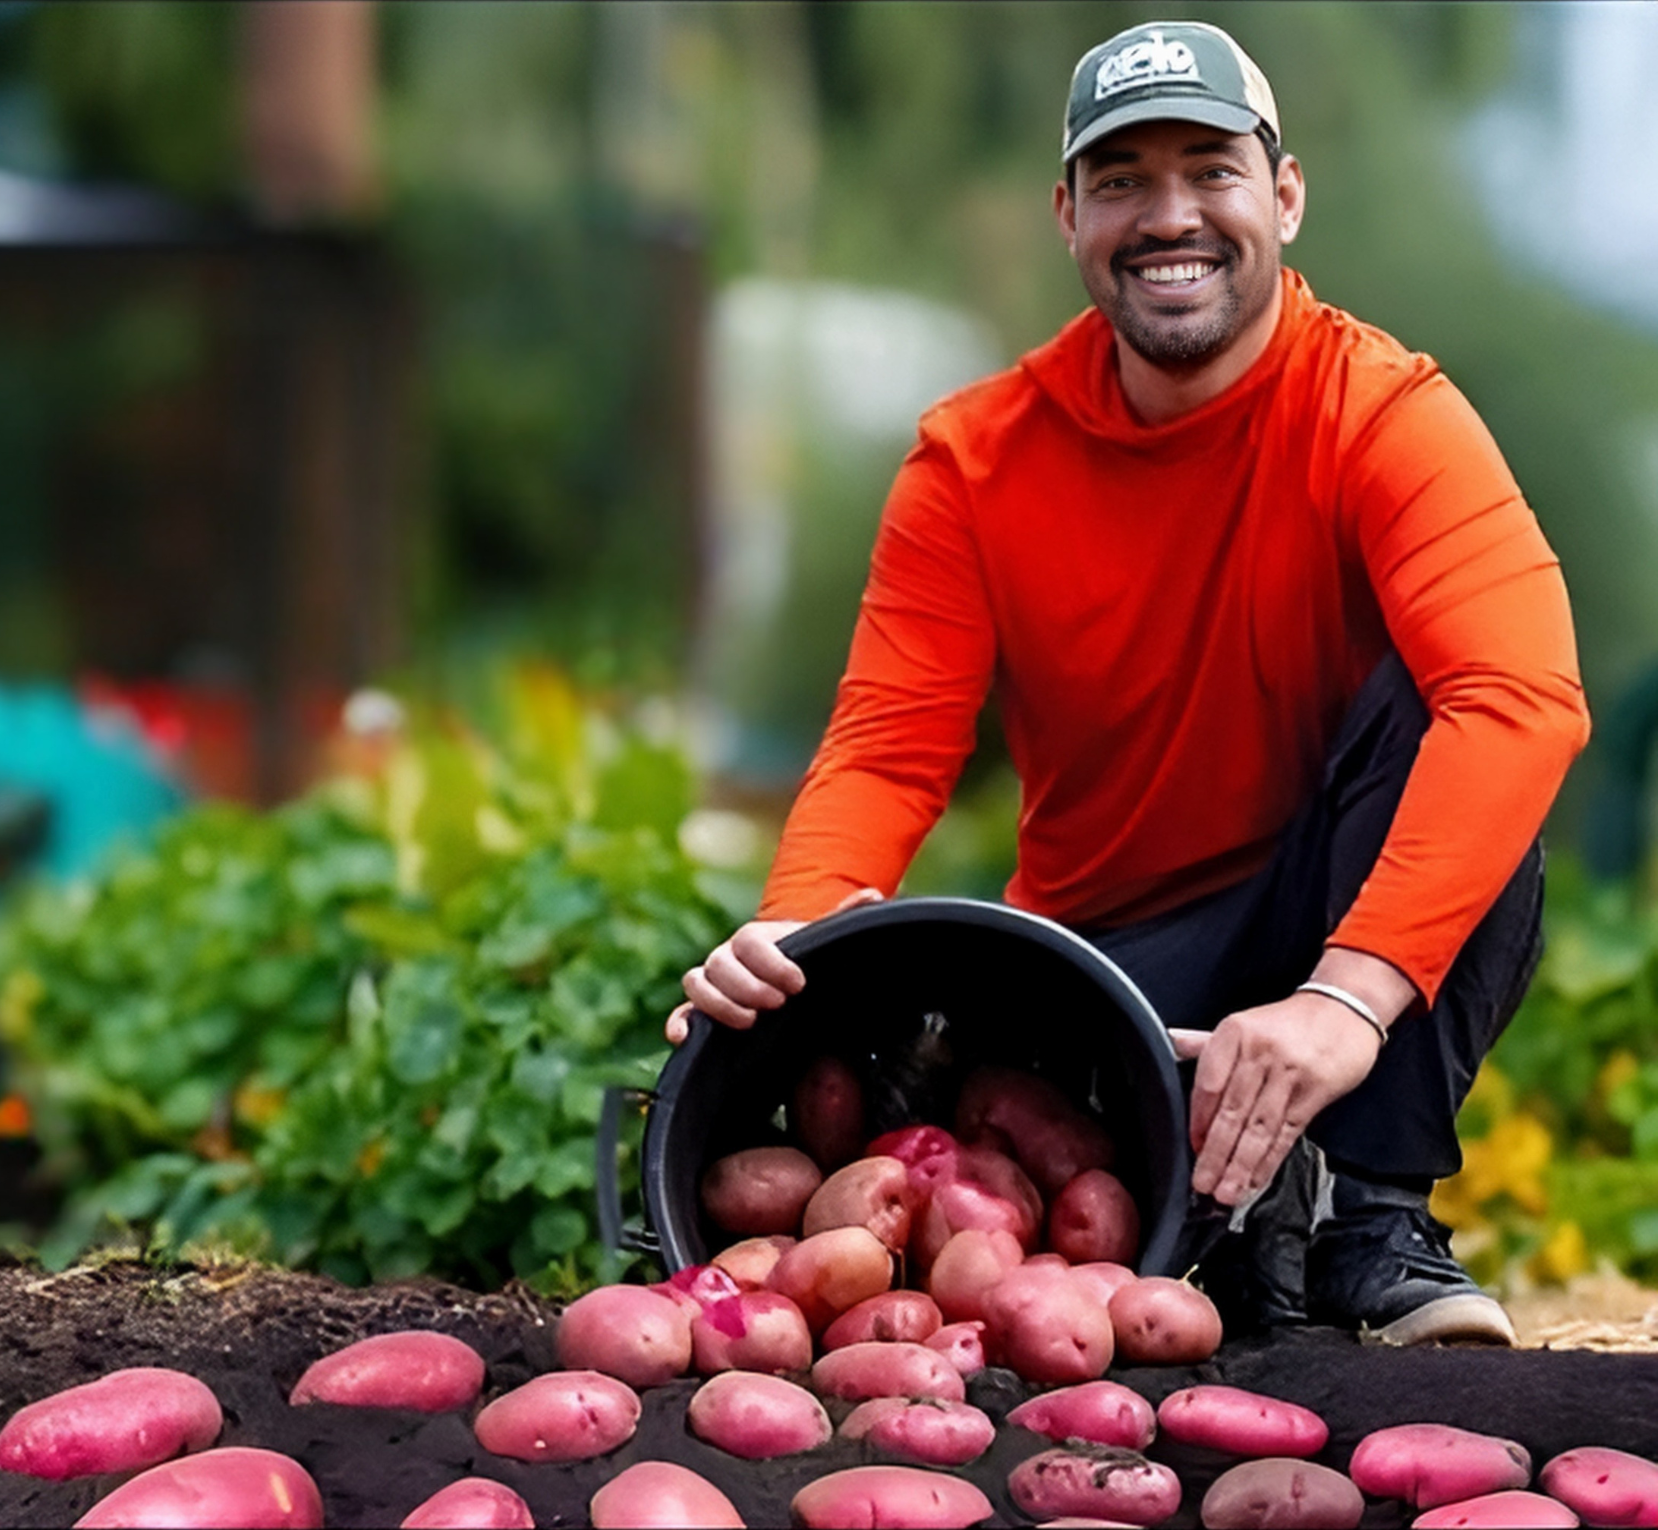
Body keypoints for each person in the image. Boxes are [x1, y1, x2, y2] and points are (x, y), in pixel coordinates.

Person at [665, 20, 1590, 1346]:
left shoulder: (1382, 413)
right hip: (1102, 974)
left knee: (1452, 722)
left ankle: (1373, 1227)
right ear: (1070, 216)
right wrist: (795, 926)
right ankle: (1237, 1221)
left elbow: (1524, 697)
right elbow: (885, 750)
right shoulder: (974, 461)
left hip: (1327, 909)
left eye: (1211, 171)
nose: (1170, 217)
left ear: (1284, 195)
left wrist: (1345, 999)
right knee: (953, 1125)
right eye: (1122, 181)